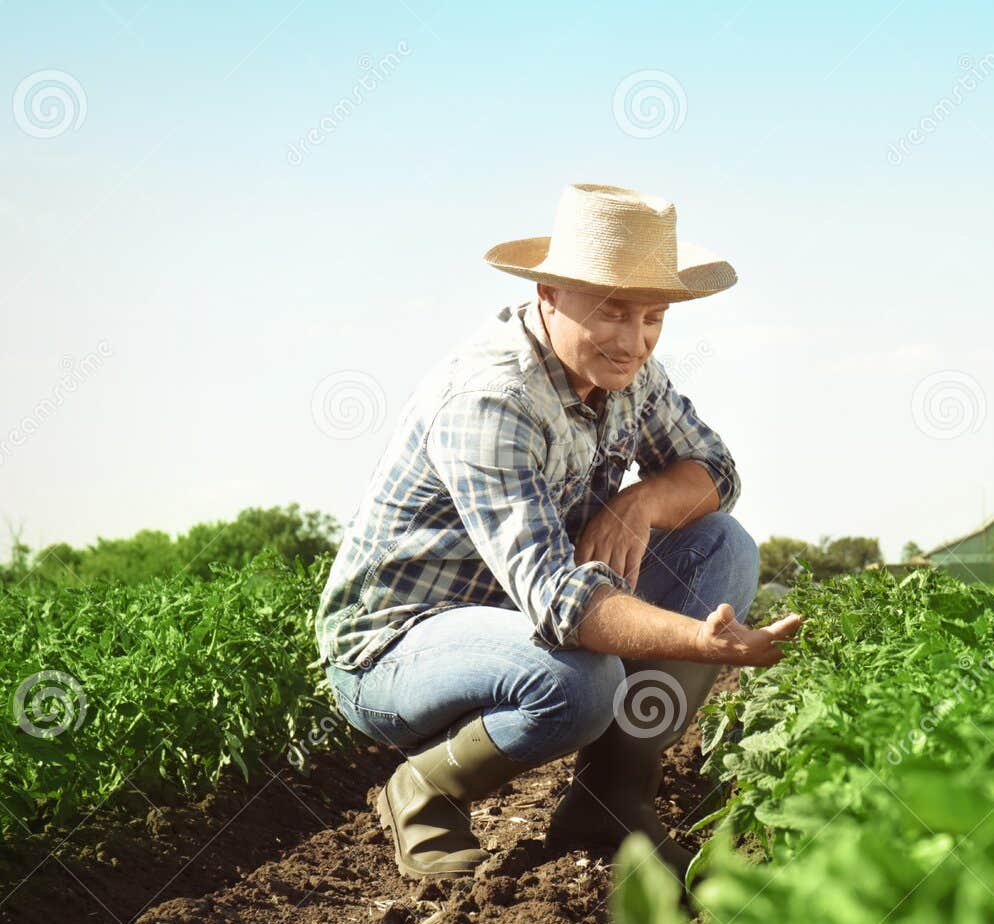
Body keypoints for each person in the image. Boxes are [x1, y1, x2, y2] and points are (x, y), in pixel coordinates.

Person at [314, 183, 803, 882]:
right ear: (548, 293)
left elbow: (717, 470)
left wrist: (645, 499)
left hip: (511, 613)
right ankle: (423, 790)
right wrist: (702, 641)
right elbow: (560, 603)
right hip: (397, 646)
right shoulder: (492, 400)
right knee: (578, 682)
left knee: (723, 547)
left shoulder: (629, 372)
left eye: (653, 317)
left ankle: (609, 798)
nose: (634, 341)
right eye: (613, 313)